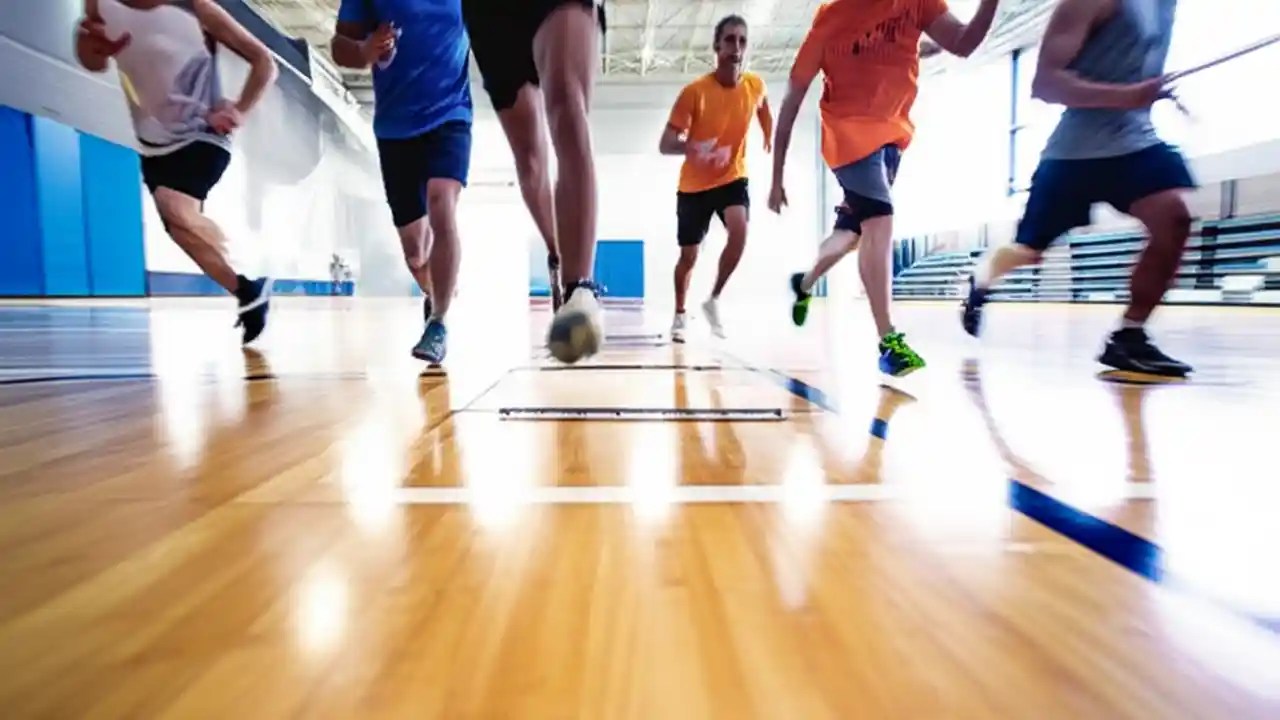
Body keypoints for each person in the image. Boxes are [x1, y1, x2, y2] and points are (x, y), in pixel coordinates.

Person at [961, 0, 1193, 377]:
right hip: (1075, 152)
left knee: (1174, 219)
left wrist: (1145, 92)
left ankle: (1129, 336)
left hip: (1134, 140)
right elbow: (1046, 84)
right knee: (1029, 251)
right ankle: (982, 277)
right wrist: (1126, 96)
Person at [769, 0, 1000, 377]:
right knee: (880, 221)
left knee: (849, 236)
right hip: (848, 135)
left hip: (891, 138)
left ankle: (805, 283)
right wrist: (777, 177)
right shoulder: (832, 19)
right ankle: (888, 341)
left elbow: (962, 42)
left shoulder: (920, 3)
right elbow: (792, 99)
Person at [75, 0, 277, 344]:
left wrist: (240, 109)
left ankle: (250, 263)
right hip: (153, 144)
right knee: (180, 229)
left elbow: (264, 62)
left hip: (203, 133)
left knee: (174, 207)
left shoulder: (197, 8)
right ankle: (247, 291)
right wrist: (95, 48)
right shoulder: (98, 4)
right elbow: (92, 62)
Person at [462, 0, 607, 362]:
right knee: (530, 160)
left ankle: (580, 289)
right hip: (490, 15)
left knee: (566, 104)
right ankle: (558, 253)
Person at [331, 0, 473, 365]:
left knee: (442, 202)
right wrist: (364, 50)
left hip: (450, 113)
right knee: (414, 253)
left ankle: (438, 323)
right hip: (395, 129)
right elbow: (339, 46)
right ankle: (436, 290)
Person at [659, 14, 773, 343]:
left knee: (740, 231)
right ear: (717, 46)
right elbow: (665, 144)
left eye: (742, 40)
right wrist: (693, 147)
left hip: (732, 177)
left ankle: (713, 299)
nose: (736, 47)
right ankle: (680, 313)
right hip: (693, 187)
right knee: (689, 257)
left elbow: (763, 105)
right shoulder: (695, 93)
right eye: (729, 40)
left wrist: (768, 132)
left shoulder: (754, 85)